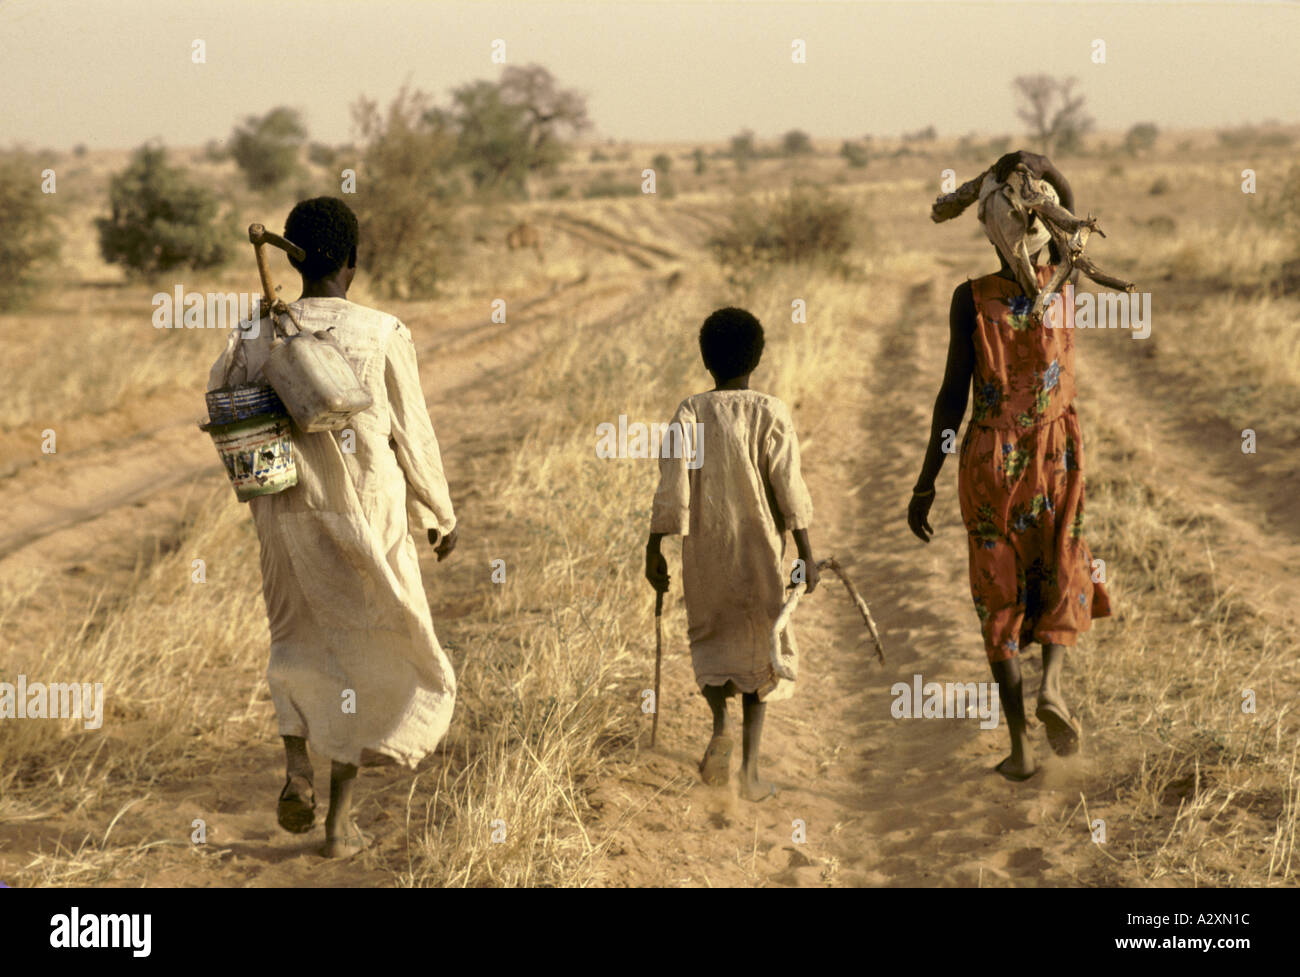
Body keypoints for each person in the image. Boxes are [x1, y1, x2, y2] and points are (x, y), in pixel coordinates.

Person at [208, 196, 460, 856]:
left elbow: (221, 397)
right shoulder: (382, 332)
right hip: (366, 514)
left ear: (292, 255)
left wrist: (260, 339)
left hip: (283, 509)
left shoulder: (256, 330)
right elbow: (413, 432)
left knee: (294, 636)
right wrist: (441, 511)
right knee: (365, 650)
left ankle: (297, 765)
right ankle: (340, 820)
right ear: (352, 261)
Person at [909, 151, 1110, 781]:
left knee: (998, 593)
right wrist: (1043, 164)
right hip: (1056, 452)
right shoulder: (1063, 287)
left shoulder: (970, 300)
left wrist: (925, 481)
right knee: (1064, 561)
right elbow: (1072, 222)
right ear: (1044, 225)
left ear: (990, 229)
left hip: (989, 461)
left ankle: (1022, 747)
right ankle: (1053, 686)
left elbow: (950, 396)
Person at [645, 307, 817, 801]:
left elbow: (671, 487)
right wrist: (805, 552)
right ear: (758, 358)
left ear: (705, 359)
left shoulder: (690, 411)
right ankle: (751, 771)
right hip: (760, 548)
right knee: (760, 648)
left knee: (712, 638)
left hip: (704, 549)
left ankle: (719, 723)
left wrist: (654, 547)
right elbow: (790, 487)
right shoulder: (770, 411)